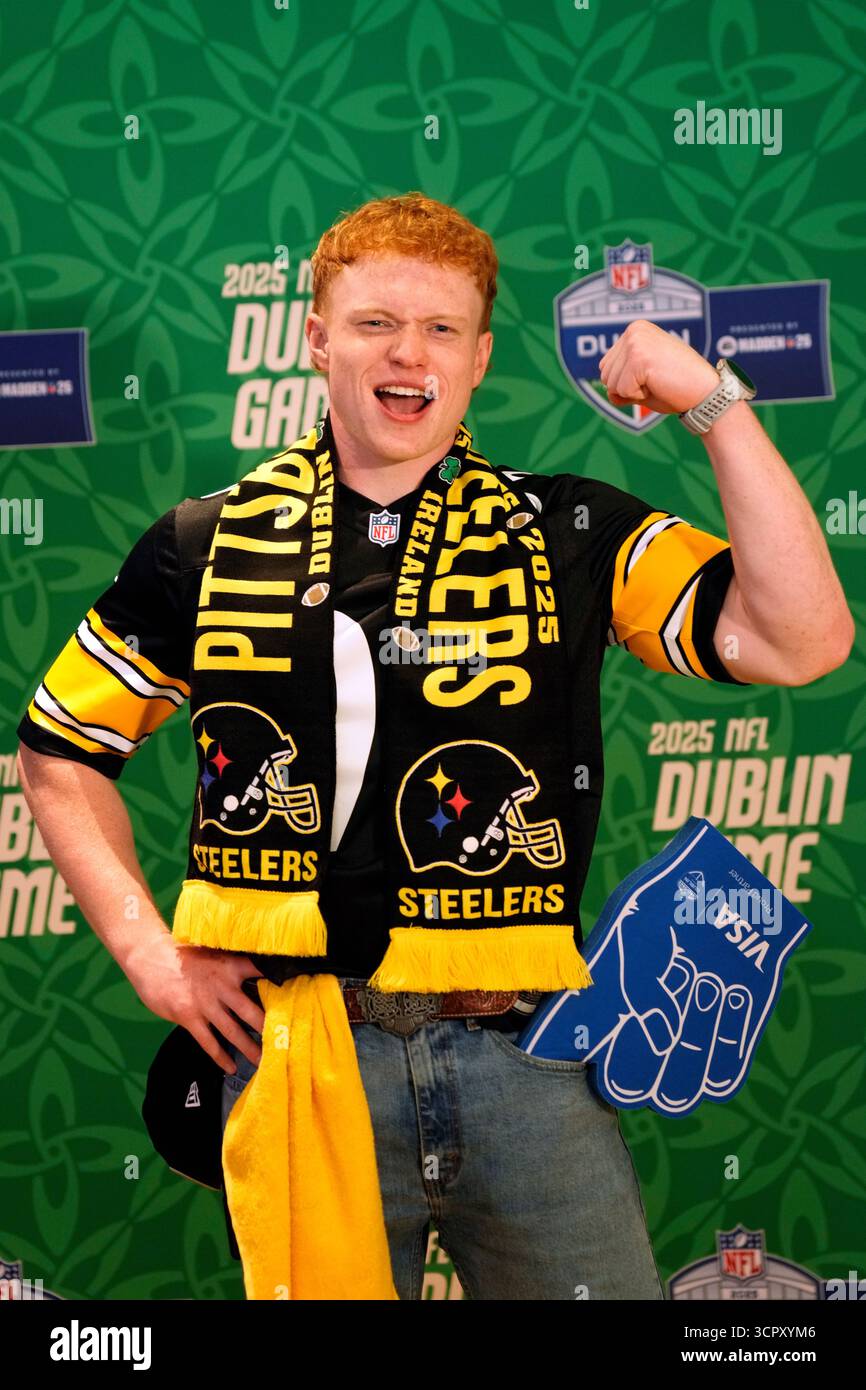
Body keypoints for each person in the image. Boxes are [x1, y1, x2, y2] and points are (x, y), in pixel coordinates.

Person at [16, 192, 853, 1301]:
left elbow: (800, 638)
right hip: (304, 1052)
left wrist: (712, 404)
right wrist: (148, 952)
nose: (408, 354)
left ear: (478, 358)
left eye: (441, 329)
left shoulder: (566, 529)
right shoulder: (202, 540)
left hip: (526, 1059)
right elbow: (59, 748)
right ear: (315, 338)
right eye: (373, 323)